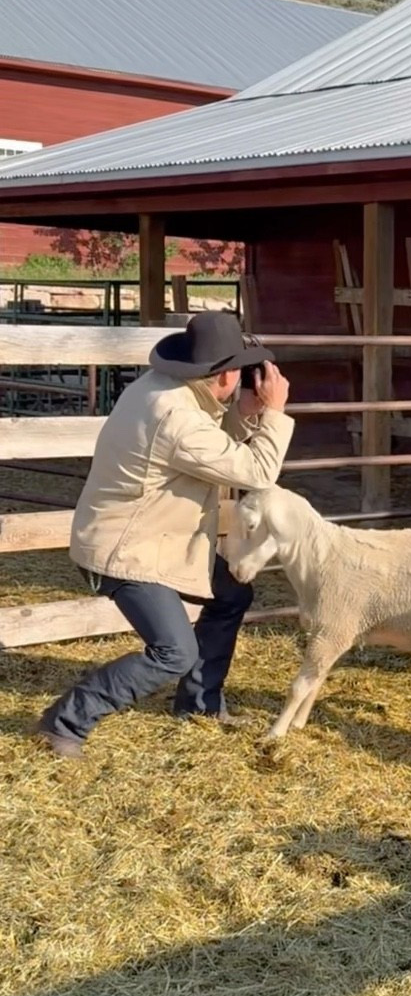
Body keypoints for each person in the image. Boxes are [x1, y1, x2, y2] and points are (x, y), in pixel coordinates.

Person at [36, 311, 294, 759]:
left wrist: (244, 414)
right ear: (226, 374)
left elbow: (205, 449)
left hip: (158, 537)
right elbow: (255, 471)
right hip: (126, 550)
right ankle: (65, 722)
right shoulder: (176, 416)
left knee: (231, 595)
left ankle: (199, 705)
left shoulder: (163, 390)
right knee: (173, 651)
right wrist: (273, 415)